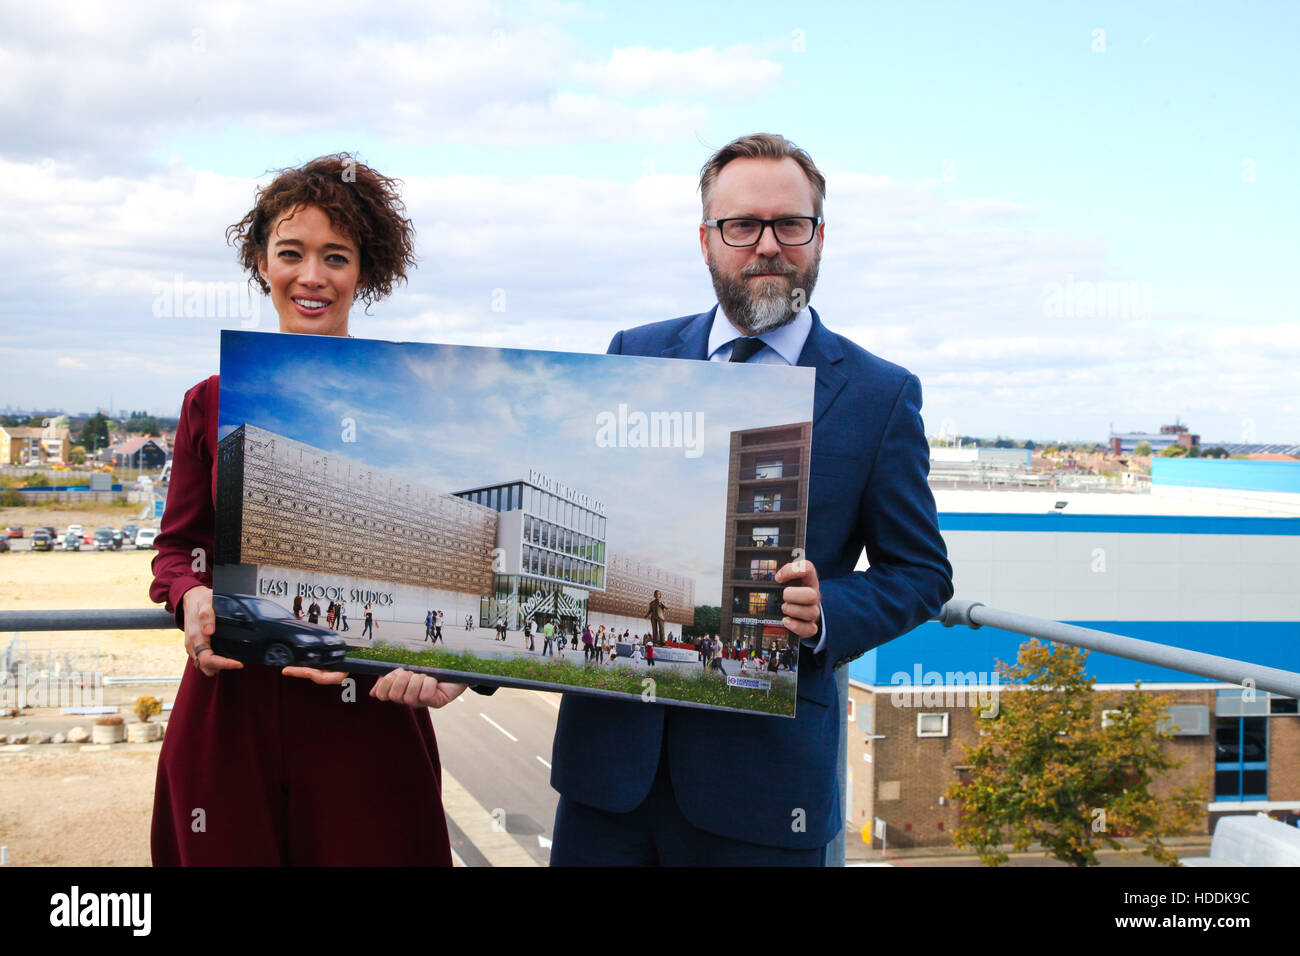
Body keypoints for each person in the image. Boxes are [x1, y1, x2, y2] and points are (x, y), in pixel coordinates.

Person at [549, 133, 952, 866]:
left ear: (819, 236)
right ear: (707, 241)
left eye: (788, 224)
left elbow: (922, 575)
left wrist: (829, 611)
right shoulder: (631, 355)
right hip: (607, 780)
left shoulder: (879, 395)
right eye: (742, 226)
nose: (767, 245)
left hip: (765, 794)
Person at [149, 153, 484, 866]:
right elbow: (176, 549)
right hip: (229, 711)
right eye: (291, 253)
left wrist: (445, 659)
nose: (312, 276)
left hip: (368, 713)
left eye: (336, 257)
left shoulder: (411, 406)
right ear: (261, 263)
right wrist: (190, 595)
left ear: (365, 272)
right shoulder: (208, 402)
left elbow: (459, 561)